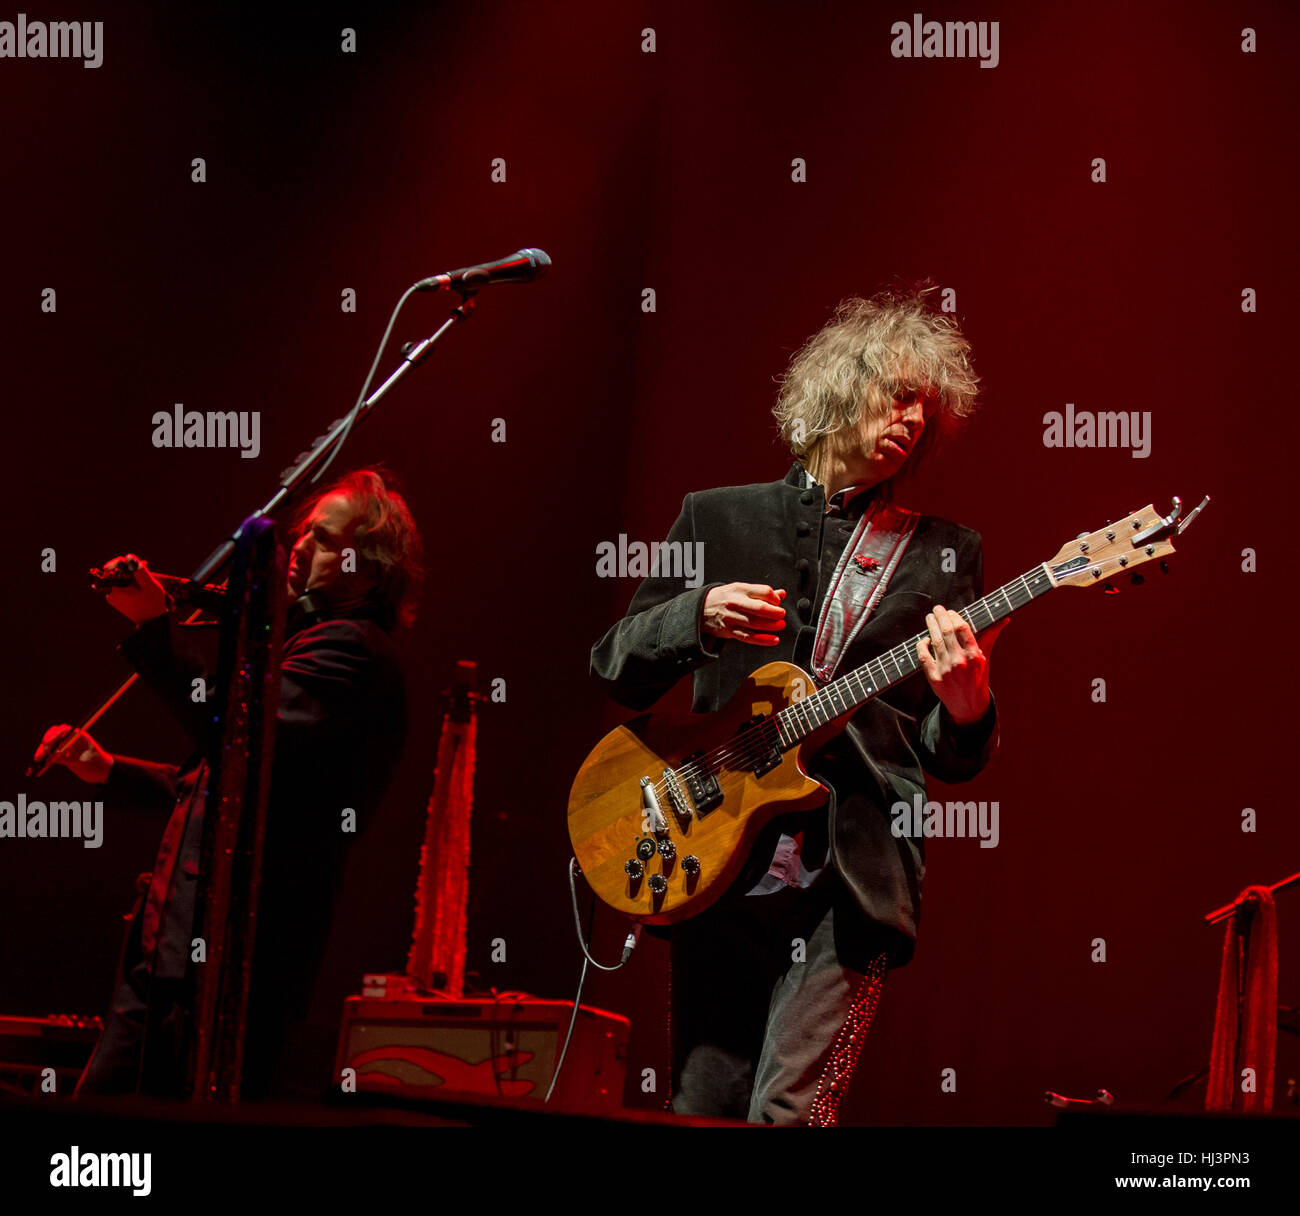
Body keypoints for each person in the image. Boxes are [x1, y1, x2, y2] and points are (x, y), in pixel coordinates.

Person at [590, 286, 1008, 1125]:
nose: (912, 420)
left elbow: (942, 756)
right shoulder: (718, 517)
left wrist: (968, 710)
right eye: (897, 395)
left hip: (854, 874)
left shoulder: (945, 555)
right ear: (835, 390)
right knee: (700, 1106)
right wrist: (694, 616)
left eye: (925, 408)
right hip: (713, 856)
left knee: (790, 1113)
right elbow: (616, 669)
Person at [35, 467, 423, 1101]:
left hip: (228, 975)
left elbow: (242, 738)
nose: (299, 547)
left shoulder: (352, 655)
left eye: (323, 540)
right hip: (170, 959)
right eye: (305, 533)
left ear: (369, 568)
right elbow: (222, 787)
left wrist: (155, 631)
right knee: (96, 1144)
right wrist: (106, 769)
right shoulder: (310, 643)